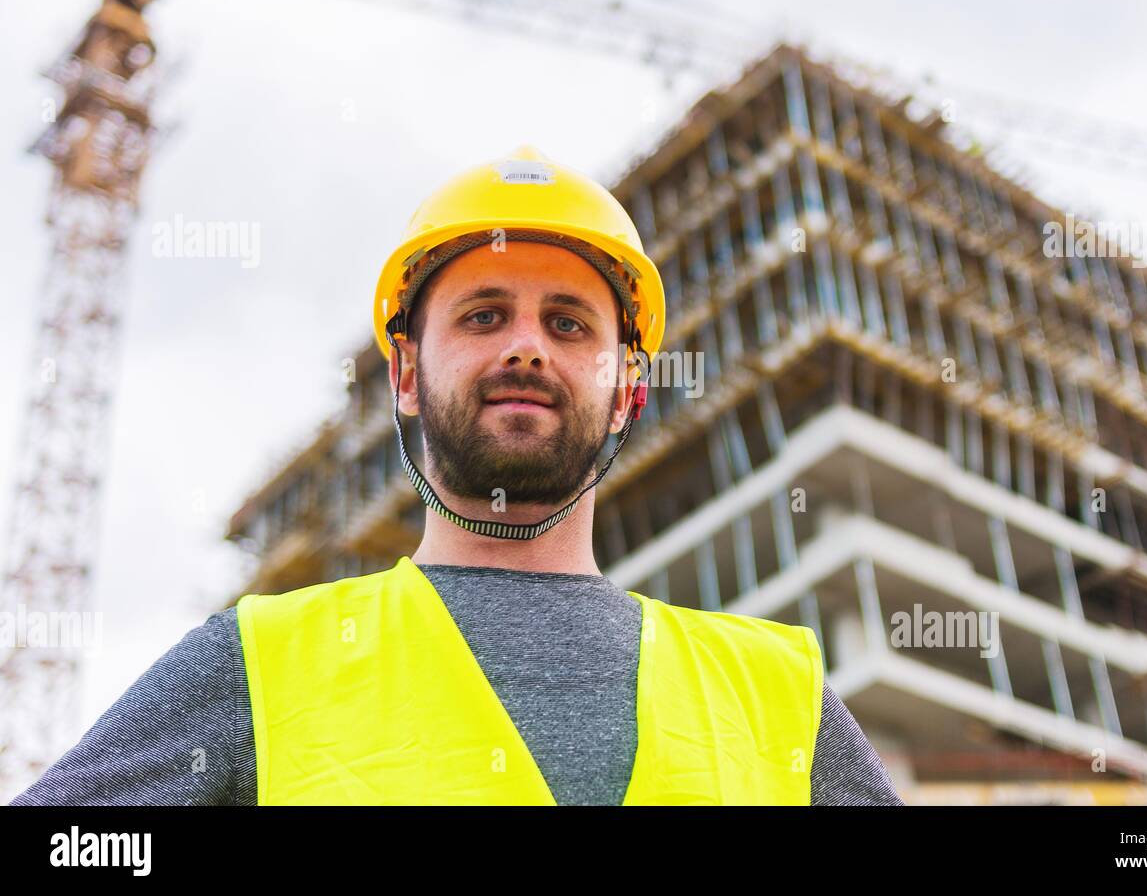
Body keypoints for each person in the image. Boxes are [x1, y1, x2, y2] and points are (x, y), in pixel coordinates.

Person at [11, 146, 904, 806]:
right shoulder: (259, 663)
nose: (524, 344)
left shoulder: (777, 698)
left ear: (631, 387)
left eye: (569, 324)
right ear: (405, 374)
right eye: (483, 315)